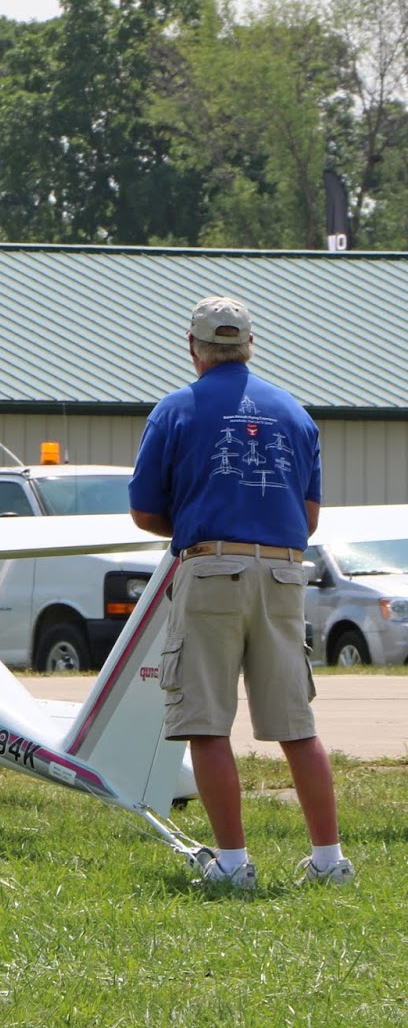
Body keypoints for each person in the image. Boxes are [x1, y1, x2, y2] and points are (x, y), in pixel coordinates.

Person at [130, 295, 352, 890]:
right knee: (296, 725)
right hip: (284, 574)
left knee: (207, 723)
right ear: (250, 345)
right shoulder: (295, 413)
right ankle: (329, 861)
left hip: (210, 570)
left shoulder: (175, 410)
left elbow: (144, 511)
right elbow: (308, 517)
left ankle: (232, 864)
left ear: (193, 346)